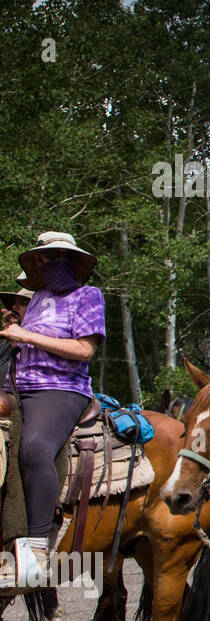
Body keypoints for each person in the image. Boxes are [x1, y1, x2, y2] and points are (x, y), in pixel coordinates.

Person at [0, 233, 106, 590]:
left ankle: (37, 552)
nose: (47, 264)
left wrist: (26, 336)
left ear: (71, 261)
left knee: (35, 449)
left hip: (60, 388)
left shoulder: (88, 296)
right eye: (43, 259)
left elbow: (84, 350)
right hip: (17, 387)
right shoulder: (39, 299)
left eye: (55, 257)